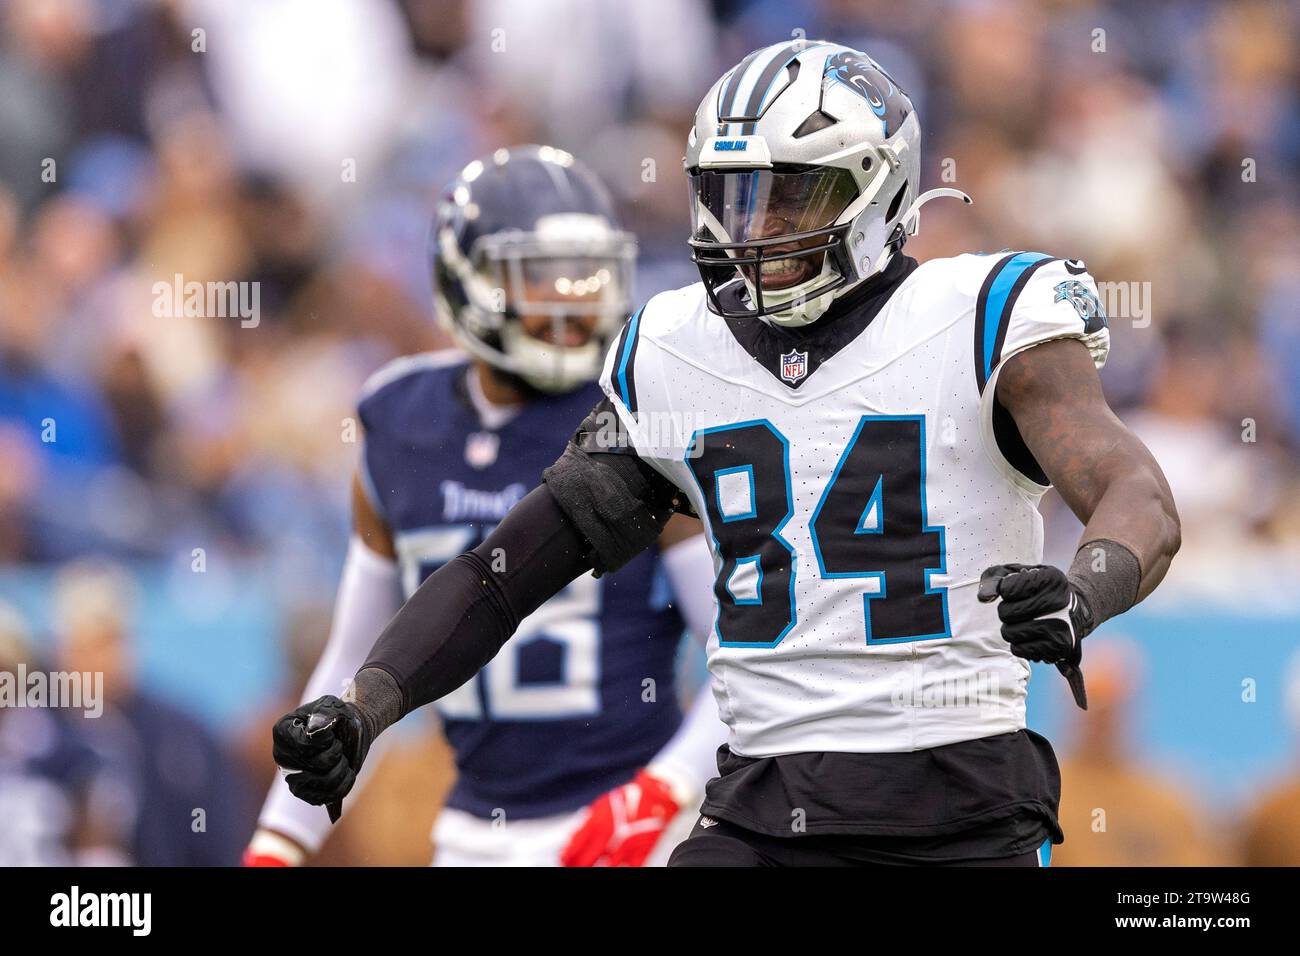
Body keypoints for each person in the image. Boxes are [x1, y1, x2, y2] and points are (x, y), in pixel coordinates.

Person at [273, 43, 1180, 867]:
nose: (761, 225)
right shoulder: (677, 347)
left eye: (795, 191)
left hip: (958, 804)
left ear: (880, 188)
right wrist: (367, 707)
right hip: (761, 805)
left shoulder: (984, 313)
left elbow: (1135, 493)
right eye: (738, 192)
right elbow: (508, 570)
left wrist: (1082, 589)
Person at [247, 145, 722, 867]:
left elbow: (738, 654)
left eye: (585, 275)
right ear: (467, 281)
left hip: (629, 823)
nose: (569, 302)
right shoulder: (399, 421)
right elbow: (356, 664)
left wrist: (662, 792)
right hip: (477, 836)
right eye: (541, 277)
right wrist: (279, 842)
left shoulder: (631, 410)